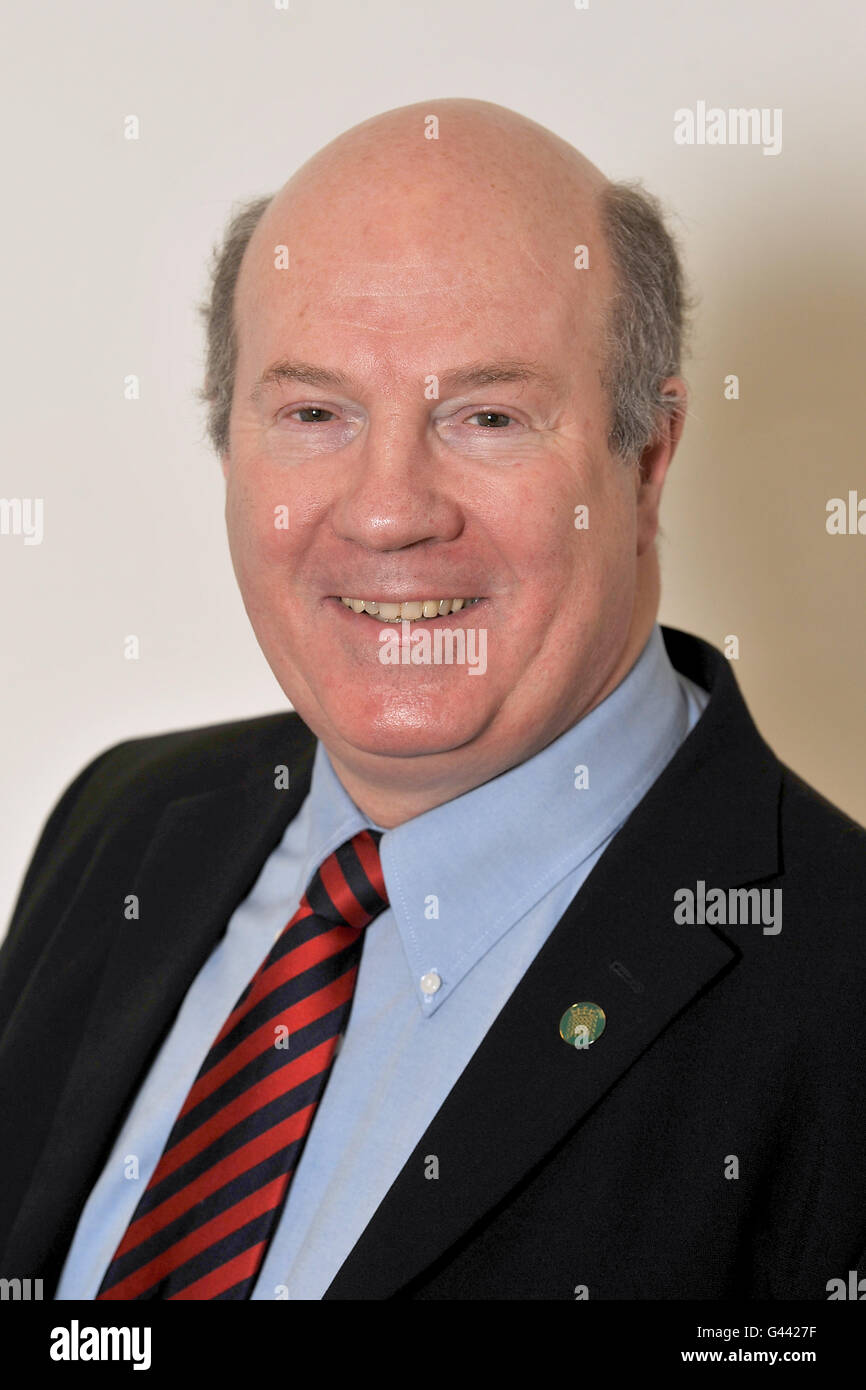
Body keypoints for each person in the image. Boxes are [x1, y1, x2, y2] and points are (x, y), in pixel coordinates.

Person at [1, 97, 864, 1301]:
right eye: (314, 414)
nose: (388, 509)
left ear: (647, 457)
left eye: (488, 417)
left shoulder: (838, 991)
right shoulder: (123, 820)